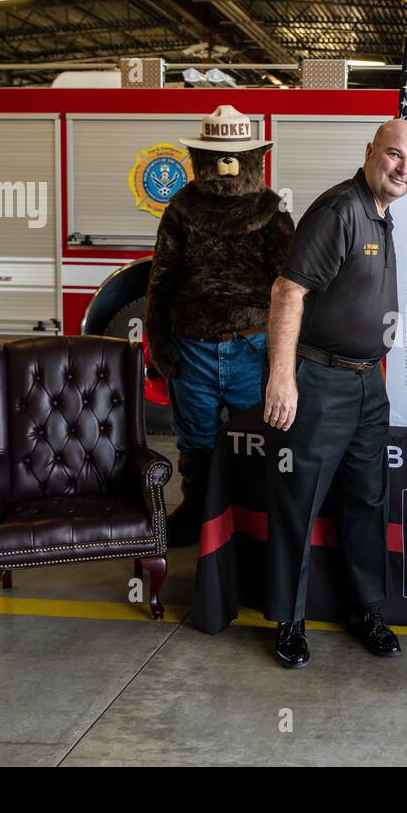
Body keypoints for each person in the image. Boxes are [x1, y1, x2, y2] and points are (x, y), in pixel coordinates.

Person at [261, 118, 407, 668]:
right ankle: (289, 620)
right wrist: (282, 378)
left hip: (366, 384)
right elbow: (288, 291)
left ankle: (366, 610)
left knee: (366, 502)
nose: (404, 168)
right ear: (370, 153)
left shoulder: (383, 215)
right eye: (394, 155)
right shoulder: (339, 210)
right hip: (319, 381)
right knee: (298, 503)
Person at [146, 105, 293, 547]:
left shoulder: (271, 210)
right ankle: (198, 513)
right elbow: (162, 279)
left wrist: (287, 357)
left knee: (255, 439)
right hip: (193, 347)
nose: (226, 167)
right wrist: (160, 343)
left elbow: (289, 286)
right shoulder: (182, 208)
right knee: (196, 441)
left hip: (252, 347)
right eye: (217, 156)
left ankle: (249, 518)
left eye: (234, 156)